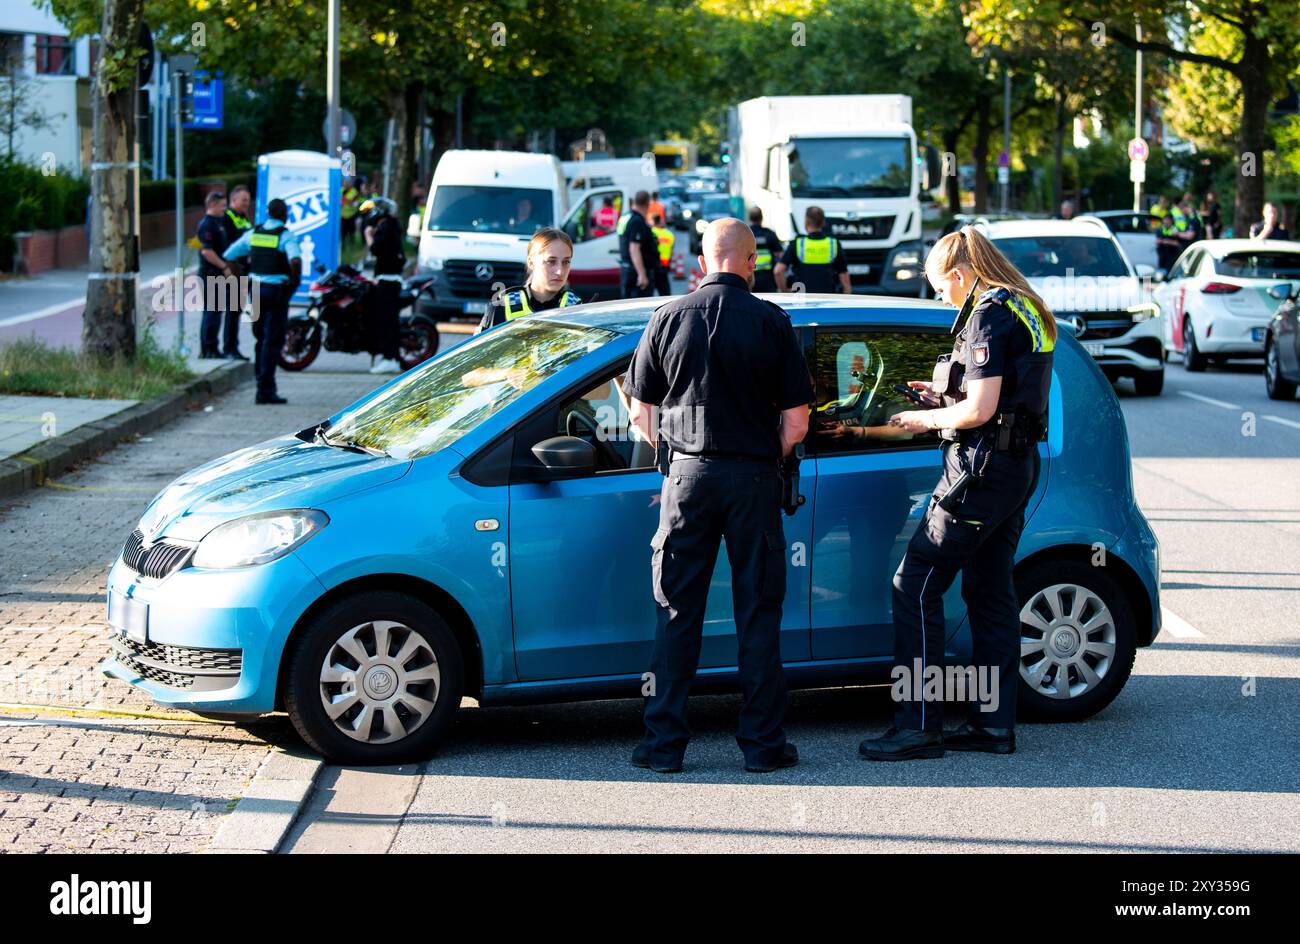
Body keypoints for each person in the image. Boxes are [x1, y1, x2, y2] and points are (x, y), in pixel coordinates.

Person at [622, 217, 815, 774]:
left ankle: (663, 748)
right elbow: (798, 423)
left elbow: (640, 410)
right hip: (753, 480)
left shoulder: (666, 318)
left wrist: (679, 456)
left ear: (702, 263)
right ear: (751, 262)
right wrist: (763, 456)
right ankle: (762, 746)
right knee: (757, 613)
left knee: (677, 610)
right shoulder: (772, 322)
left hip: (686, 480)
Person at [858, 226, 1054, 761]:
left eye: (939, 285)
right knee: (990, 593)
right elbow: (1002, 391)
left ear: (962, 274)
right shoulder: (1023, 306)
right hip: (1013, 466)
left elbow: (980, 411)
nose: (938, 295)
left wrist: (923, 418)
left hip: (980, 468)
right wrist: (942, 391)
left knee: (914, 585)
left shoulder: (989, 312)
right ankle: (993, 726)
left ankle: (917, 726)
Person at [223, 198, 301, 405]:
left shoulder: (253, 234)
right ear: (284, 215)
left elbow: (229, 255)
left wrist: (241, 276)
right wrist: (294, 283)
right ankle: (266, 389)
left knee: (259, 338)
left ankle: (261, 384)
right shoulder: (285, 236)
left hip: (255, 290)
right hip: (276, 292)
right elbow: (295, 261)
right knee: (272, 341)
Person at [476, 227, 582, 334]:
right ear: (531, 262)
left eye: (566, 262)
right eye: (551, 261)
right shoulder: (502, 305)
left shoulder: (578, 309)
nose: (560, 271)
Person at [360, 197, 406, 374]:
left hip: (388, 280)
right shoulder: (391, 226)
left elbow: (376, 249)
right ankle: (391, 357)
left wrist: (369, 235)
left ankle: (389, 358)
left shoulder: (385, 228)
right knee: (390, 321)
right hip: (390, 279)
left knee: (386, 321)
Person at [196, 190, 235, 360]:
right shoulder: (207, 225)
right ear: (212, 205)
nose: (224, 209)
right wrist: (224, 267)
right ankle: (208, 349)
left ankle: (213, 348)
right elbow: (207, 251)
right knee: (212, 313)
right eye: (222, 206)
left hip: (217, 275)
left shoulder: (219, 222)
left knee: (216, 312)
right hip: (211, 274)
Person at [774, 206, 850, 294]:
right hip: (828, 300)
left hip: (802, 300)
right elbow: (845, 279)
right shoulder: (833, 244)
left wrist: (785, 291)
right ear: (823, 222)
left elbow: (778, 271)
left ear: (806, 222)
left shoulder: (797, 244)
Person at [219, 184, 253, 361]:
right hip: (234, 271)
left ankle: (233, 346)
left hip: (243, 271)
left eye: (248, 200)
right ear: (234, 200)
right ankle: (229, 348)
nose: (247, 203)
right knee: (232, 311)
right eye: (244, 200)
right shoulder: (228, 218)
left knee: (237, 311)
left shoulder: (243, 217)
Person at [618, 190, 658, 298]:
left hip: (627, 270)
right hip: (635, 273)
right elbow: (634, 249)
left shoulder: (625, 217)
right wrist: (642, 274)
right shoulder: (637, 221)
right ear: (647, 204)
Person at [748, 206, 784, 294]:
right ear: (761, 218)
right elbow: (780, 255)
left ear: (750, 218)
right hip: (768, 279)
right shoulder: (770, 234)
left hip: (750, 278)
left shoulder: (747, 234)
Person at [650, 213, 675, 296]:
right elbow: (671, 249)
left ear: (652, 221)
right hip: (664, 264)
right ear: (661, 221)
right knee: (664, 292)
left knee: (648, 293)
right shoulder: (669, 234)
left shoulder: (650, 232)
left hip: (652, 265)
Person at [341, 177, 362, 242]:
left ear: (350, 184)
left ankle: (351, 243)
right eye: (344, 183)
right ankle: (343, 243)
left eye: (347, 183)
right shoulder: (340, 190)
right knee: (342, 232)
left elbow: (356, 203)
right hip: (341, 216)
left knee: (351, 231)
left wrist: (347, 201)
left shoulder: (354, 192)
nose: (345, 185)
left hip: (351, 215)